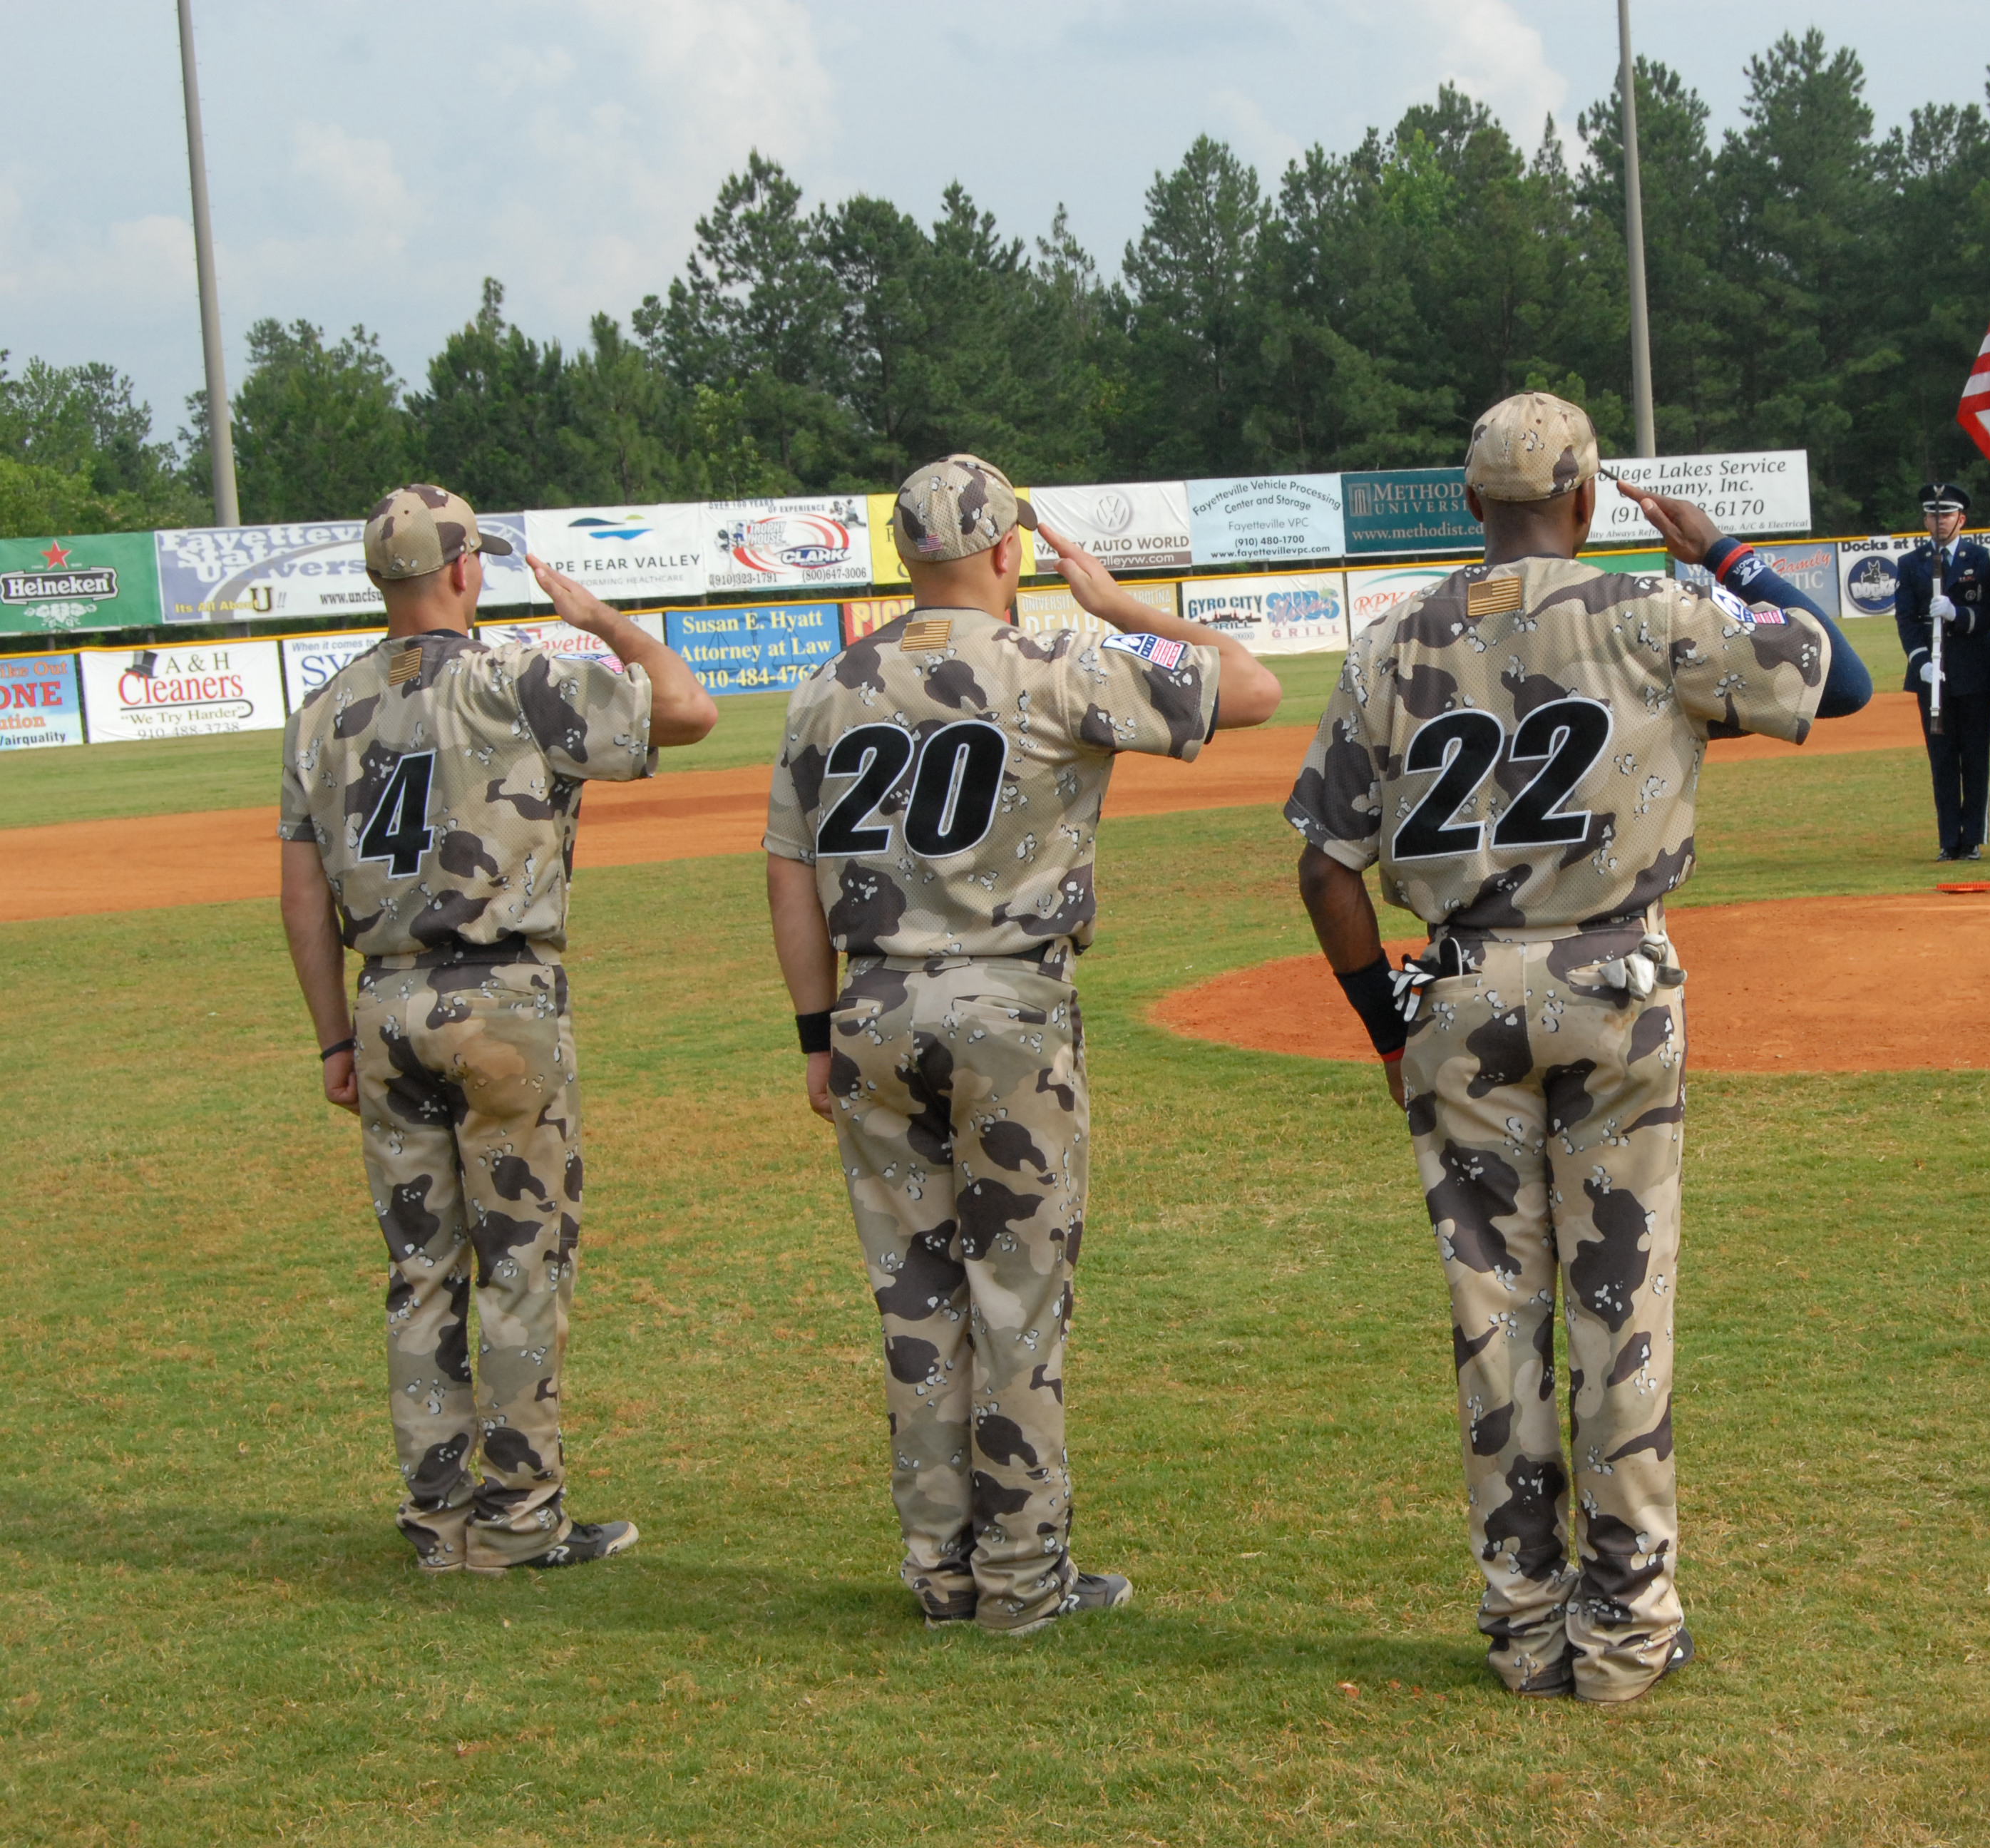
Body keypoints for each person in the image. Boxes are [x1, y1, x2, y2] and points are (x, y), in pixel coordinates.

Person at [1285, 392, 1867, 1704]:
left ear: (1466, 502)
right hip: (1612, 979)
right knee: (1623, 1309)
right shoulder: (1651, 617)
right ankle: (1624, 1634)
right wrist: (1727, 557)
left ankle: (1522, 1626)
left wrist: (1388, 1027)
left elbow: (1324, 871)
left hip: (1456, 991)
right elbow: (1841, 674)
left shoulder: (1389, 643)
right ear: (1588, 499)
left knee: (1493, 1317)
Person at [762, 454, 1282, 1634]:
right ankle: (1020, 1579)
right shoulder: (1060, 665)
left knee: (917, 1304)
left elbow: (788, 877)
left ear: (905, 554)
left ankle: (941, 1570)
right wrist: (1121, 607)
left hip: (873, 1011)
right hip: (1007, 1010)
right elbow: (1247, 686)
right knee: (1016, 1302)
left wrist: (812, 1035)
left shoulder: (827, 687)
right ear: (1011, 551)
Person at [276, 484, 718, 1574]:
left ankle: (436, 1519)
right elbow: (689, 710)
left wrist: (334, 1040)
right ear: (467, 571)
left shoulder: (323, 710)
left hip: (384, 1004)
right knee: (520, 1267)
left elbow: (297, 896)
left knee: (419, 1273)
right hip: (502, 999)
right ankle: (519, 1521)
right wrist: (605, 624)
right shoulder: (517, 679)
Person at [1892, 484, 1990, 861]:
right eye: (1933, 515)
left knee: (1975, 756)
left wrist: (1960, 615)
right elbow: (1907, 619)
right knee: (1941, 759)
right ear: (1925, 520)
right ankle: (1948, 840)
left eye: (1947, 515)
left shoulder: (1983, 559)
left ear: (1962, 519)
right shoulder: (1911, 563)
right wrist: (1921, 660)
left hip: (1975, 670)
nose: (1940, 522)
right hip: (1933, 676)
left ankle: (1972, 839)